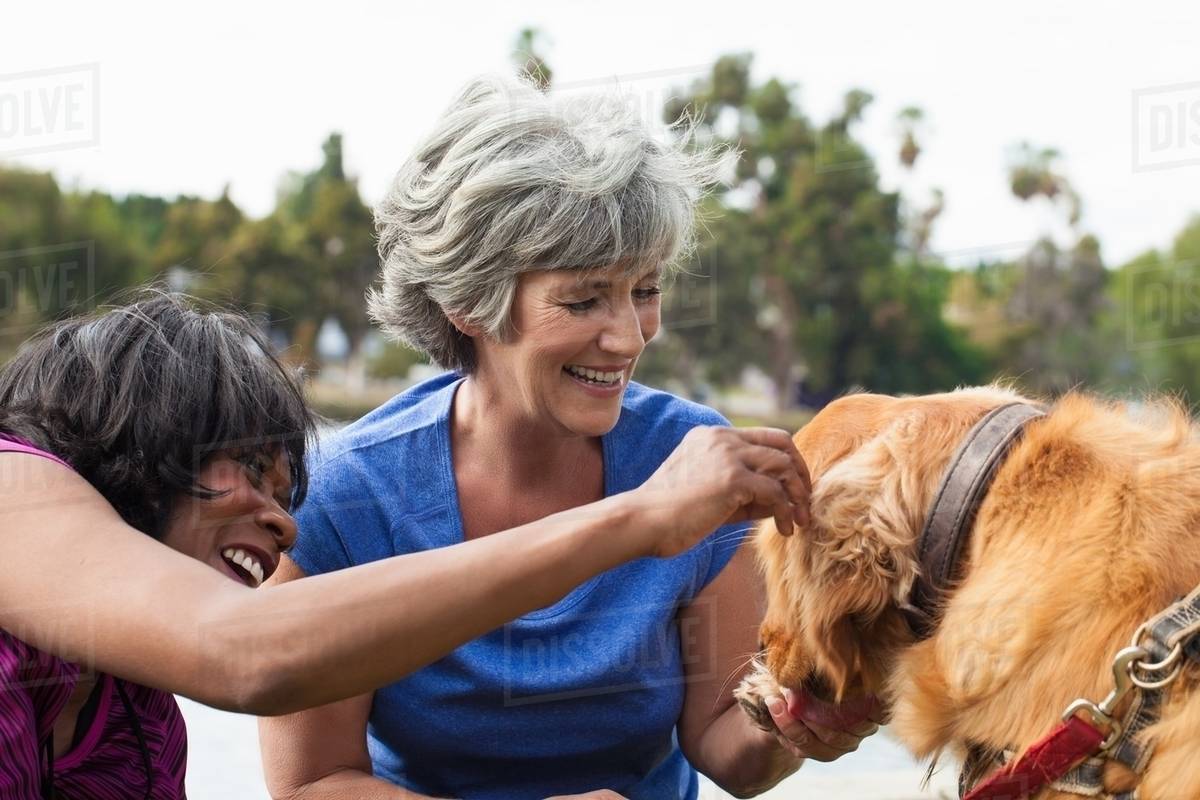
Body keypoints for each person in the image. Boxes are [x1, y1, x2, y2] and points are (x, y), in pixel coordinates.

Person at [259, 76, 876, 800]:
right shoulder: (347, 496)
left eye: (644, 291)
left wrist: (792, 721)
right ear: (467, 302)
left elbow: (725, 745)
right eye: (583, 300)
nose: (628, 338)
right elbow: (313, 783)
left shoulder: (696, 460)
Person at [0, 291, 810, 799]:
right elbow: (248, 653)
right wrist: (640, 519)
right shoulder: (11, 485)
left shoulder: (136, 720)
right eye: (248, 471)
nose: (286, 524)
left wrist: (804, 708)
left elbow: (734, 744)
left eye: (645, 291)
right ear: (138, 442)